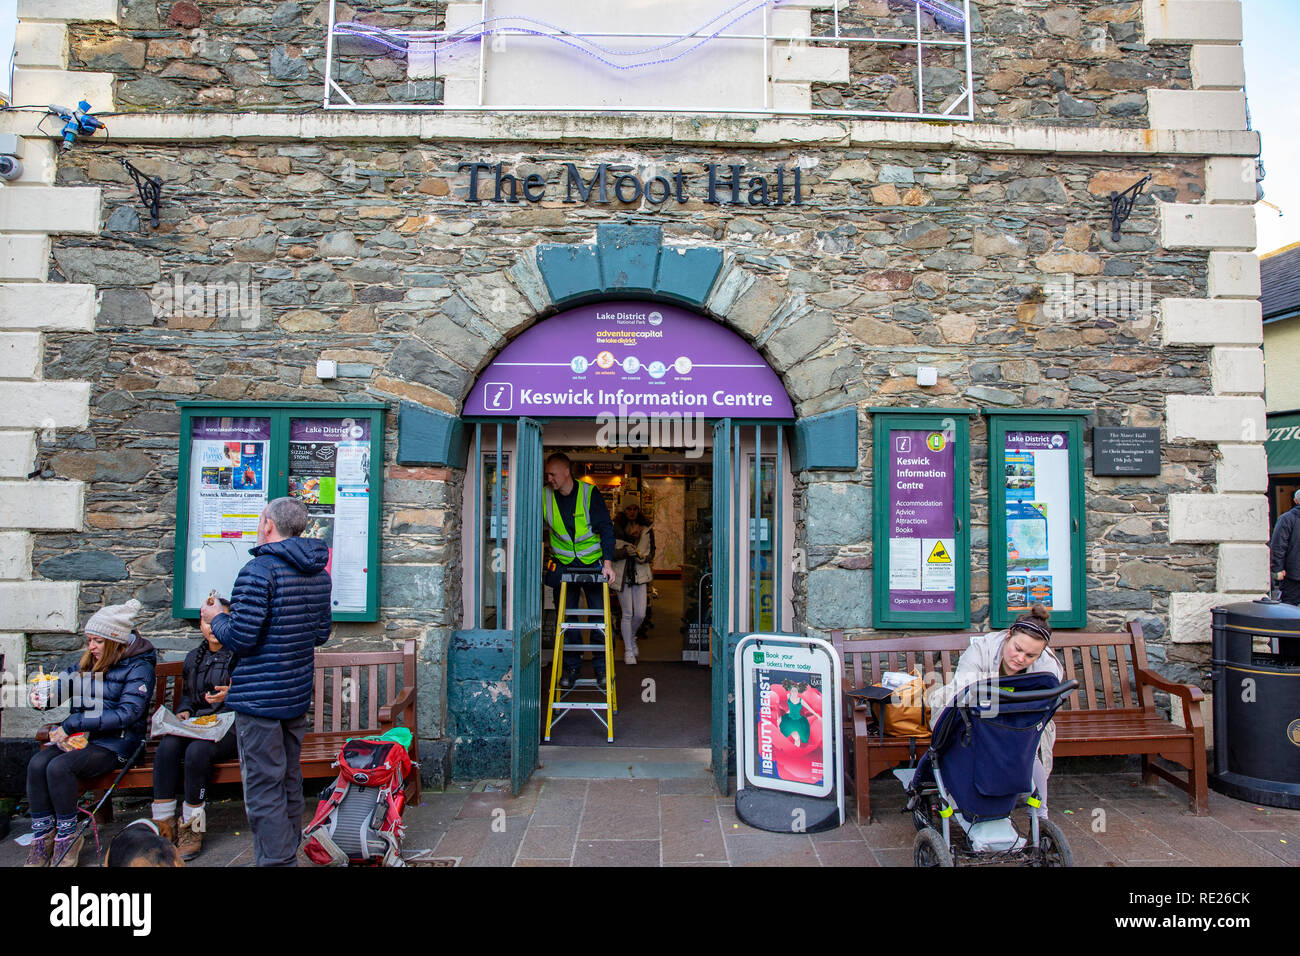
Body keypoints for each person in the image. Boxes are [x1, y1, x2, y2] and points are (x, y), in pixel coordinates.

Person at [200, 496, 332, 867]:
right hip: (293, 693)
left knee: (262, 786)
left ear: (269, 525)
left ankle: (276, 862)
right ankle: (285, 852)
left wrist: (216, 616)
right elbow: (321, 633)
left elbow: (242, 637)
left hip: (259, 697)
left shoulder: (258, 572)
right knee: (289, 779)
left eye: (261, 520)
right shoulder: (319, 574)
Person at [25, 599, 157, 867]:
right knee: (38, 763)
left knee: (59, 767)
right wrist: (44, 697)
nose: (91, 647)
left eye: (97, 641)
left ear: (114, 641)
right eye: (89, 640)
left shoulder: (139, 667)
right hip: (84, 740)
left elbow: (128, 714)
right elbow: (62, 687)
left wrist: (74, 723)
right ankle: (42, 836)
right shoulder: (88, 662)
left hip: (119, 745)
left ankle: (68, 836)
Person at [927, 604, 1062, 818]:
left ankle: (1040, 812)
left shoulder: (1048, 665)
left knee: (1030, 748)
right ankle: (961, 798)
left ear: (1041, 653)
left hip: (1019, 719)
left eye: (1030, 656)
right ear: (1008, 635)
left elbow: (1043, 704)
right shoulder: (981, 650)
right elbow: (964, 693)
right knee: (968, 741)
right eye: (1017, 649)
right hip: (973, 713)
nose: (1020, 658)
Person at [149, 598, 237, 861]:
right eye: (206, 622)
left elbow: (251, 695)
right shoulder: (193, 658)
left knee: (198, 752)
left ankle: (193, 828)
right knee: (168, 746)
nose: (211, 629)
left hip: (229, 727)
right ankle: (163, 825)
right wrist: (183, 711)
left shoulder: (239, 657)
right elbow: (188, 696)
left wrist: (229, 695)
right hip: (199, 725)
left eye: (217, 622)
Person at [543, 453, 616, 689]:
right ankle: (571, 668)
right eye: (547, 474)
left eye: (553, 474)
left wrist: (607, 563)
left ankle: (602, 670)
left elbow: (606, 528)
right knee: (567, 620)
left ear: (566, 472)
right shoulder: (544, 495)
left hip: (592, 564)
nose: (550, 479)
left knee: (599, 618)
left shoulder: (588, 493)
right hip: (563, 565)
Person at [612, 503, 654, 665]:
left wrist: (644, 557)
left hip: (640, 574)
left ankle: (630, 638)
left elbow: (652, 551)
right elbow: (609, 551)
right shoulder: (616, 528)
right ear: (624, 510)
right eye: (629, 508)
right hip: (622, 574)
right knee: (627, 613)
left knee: (640, 614)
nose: (632, 511)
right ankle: (629, 651)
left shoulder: (646, 528)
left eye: (635, 508)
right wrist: (625, 551)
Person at [1269, 489, 1300, 604]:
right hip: (1294, 573)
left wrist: (1277, 569)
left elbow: (1278, 545)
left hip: (1293, 574)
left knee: (1289, 611)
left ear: (1295, 501)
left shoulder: (1287, 519)